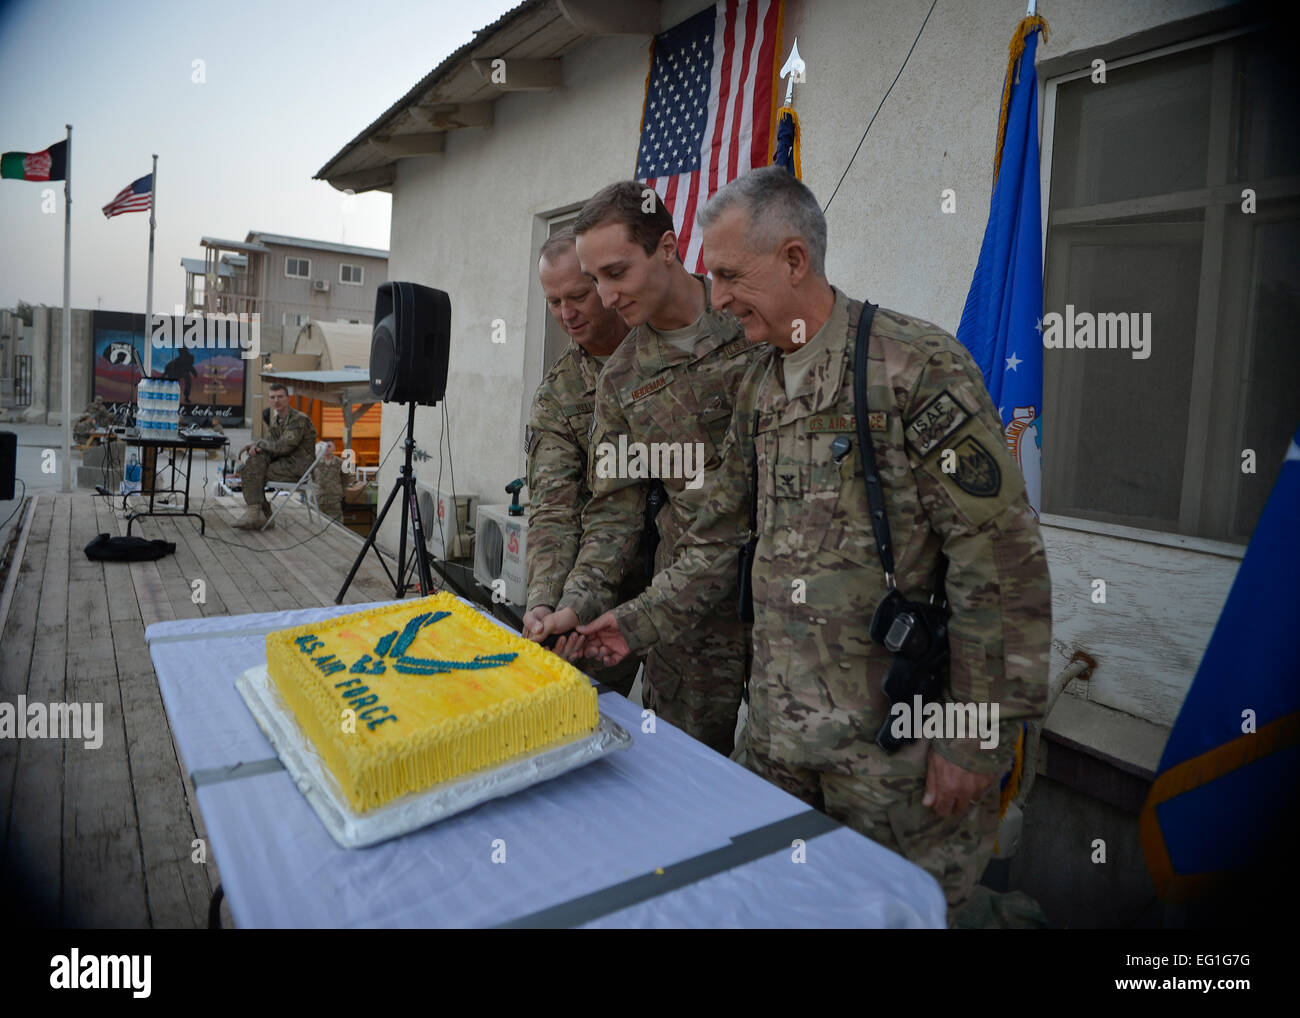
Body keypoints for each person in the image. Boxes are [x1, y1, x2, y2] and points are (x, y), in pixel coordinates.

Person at [572, 167, 1051, 921]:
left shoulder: (913, 367)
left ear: (794, 260)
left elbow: (1000, 559)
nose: (718, 298)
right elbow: (716, 540)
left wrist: (974, 736)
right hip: (778, 747)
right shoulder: (760, 388)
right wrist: (630, 625)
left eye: (731, 276)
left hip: (895, 758)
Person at [527, 181, 768, 755]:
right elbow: (607, 511)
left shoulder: (752, 320)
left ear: (666, 248)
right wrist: (568, 603)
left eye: (612, 275)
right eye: (596, 281)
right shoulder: (620, 379)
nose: (604, 298)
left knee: (786, 774)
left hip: (786, 596)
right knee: (685, 762)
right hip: (686, 606)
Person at [521, 229, 645, 697]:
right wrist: (543, 601)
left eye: (577, 296)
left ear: (603, 283)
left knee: (683, 729)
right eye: (553, 302)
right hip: (600, 586)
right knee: (582, 704)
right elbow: (554, 510)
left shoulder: (664, 353)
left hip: (687, 579)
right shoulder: (558, 395)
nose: (566, 314)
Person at [234, 383, 317, 530]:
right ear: (269, 400)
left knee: (253, 471)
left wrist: (259, 444)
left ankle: (259, 512)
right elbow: (271, 445)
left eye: (280, 397)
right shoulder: (276, 420)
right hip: (283, 463)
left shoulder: (298, 419)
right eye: (272, 397)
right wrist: (255, 446)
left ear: (288, 398)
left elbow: (283, 447)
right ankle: (260, 513)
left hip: (297, 468)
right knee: (254, 462)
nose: (276, 400)